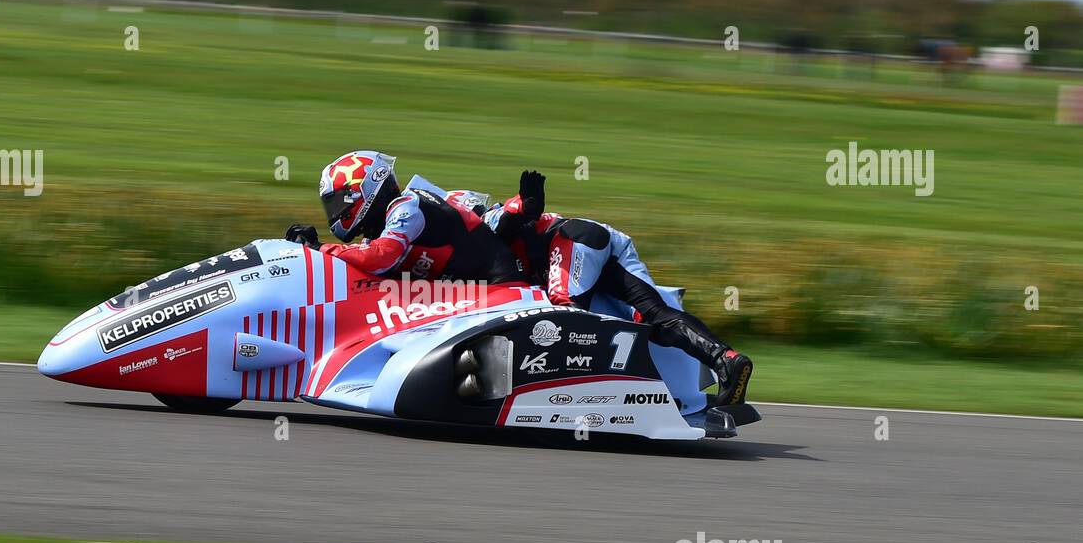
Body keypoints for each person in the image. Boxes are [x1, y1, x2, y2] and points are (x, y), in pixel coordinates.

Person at [479, 171, 754, 406]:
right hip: (610, 246)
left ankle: (579, 393)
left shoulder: (488, 221)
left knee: (565, 309)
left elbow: (511, 216)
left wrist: (527, 203)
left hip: (571, 240)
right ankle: (726, 360)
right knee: (652, 318)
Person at [285, 151, 526, 284]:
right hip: (464, 294)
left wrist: (320, 249)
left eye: (341, 202)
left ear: (367, 190)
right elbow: (369, 258)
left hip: (498, 286)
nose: (337, 212)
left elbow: (381, 257)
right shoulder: (378, 233)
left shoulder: (406, 206)